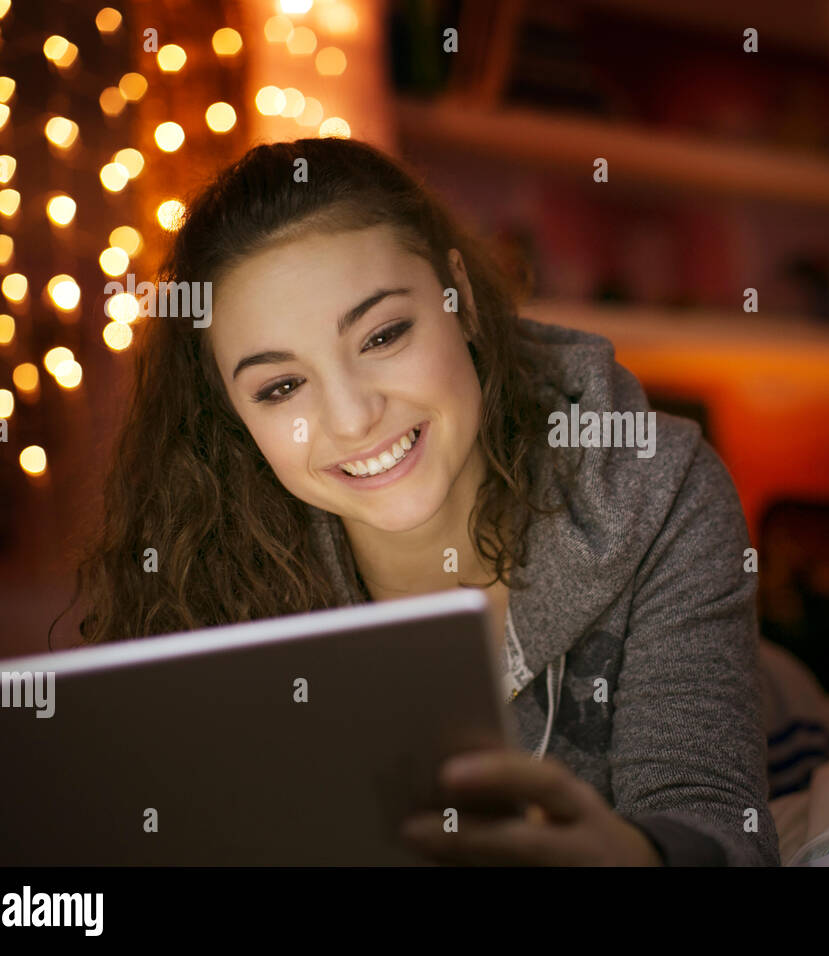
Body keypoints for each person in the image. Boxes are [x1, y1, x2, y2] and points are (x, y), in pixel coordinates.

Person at [68, 137, 779, 866]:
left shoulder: (660, 487)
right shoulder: (208, 582)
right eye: (280, 387)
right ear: (236, 418)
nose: (351, 418)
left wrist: (634, 858)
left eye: (383, 334)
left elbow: (722, 828)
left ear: (460, 301)